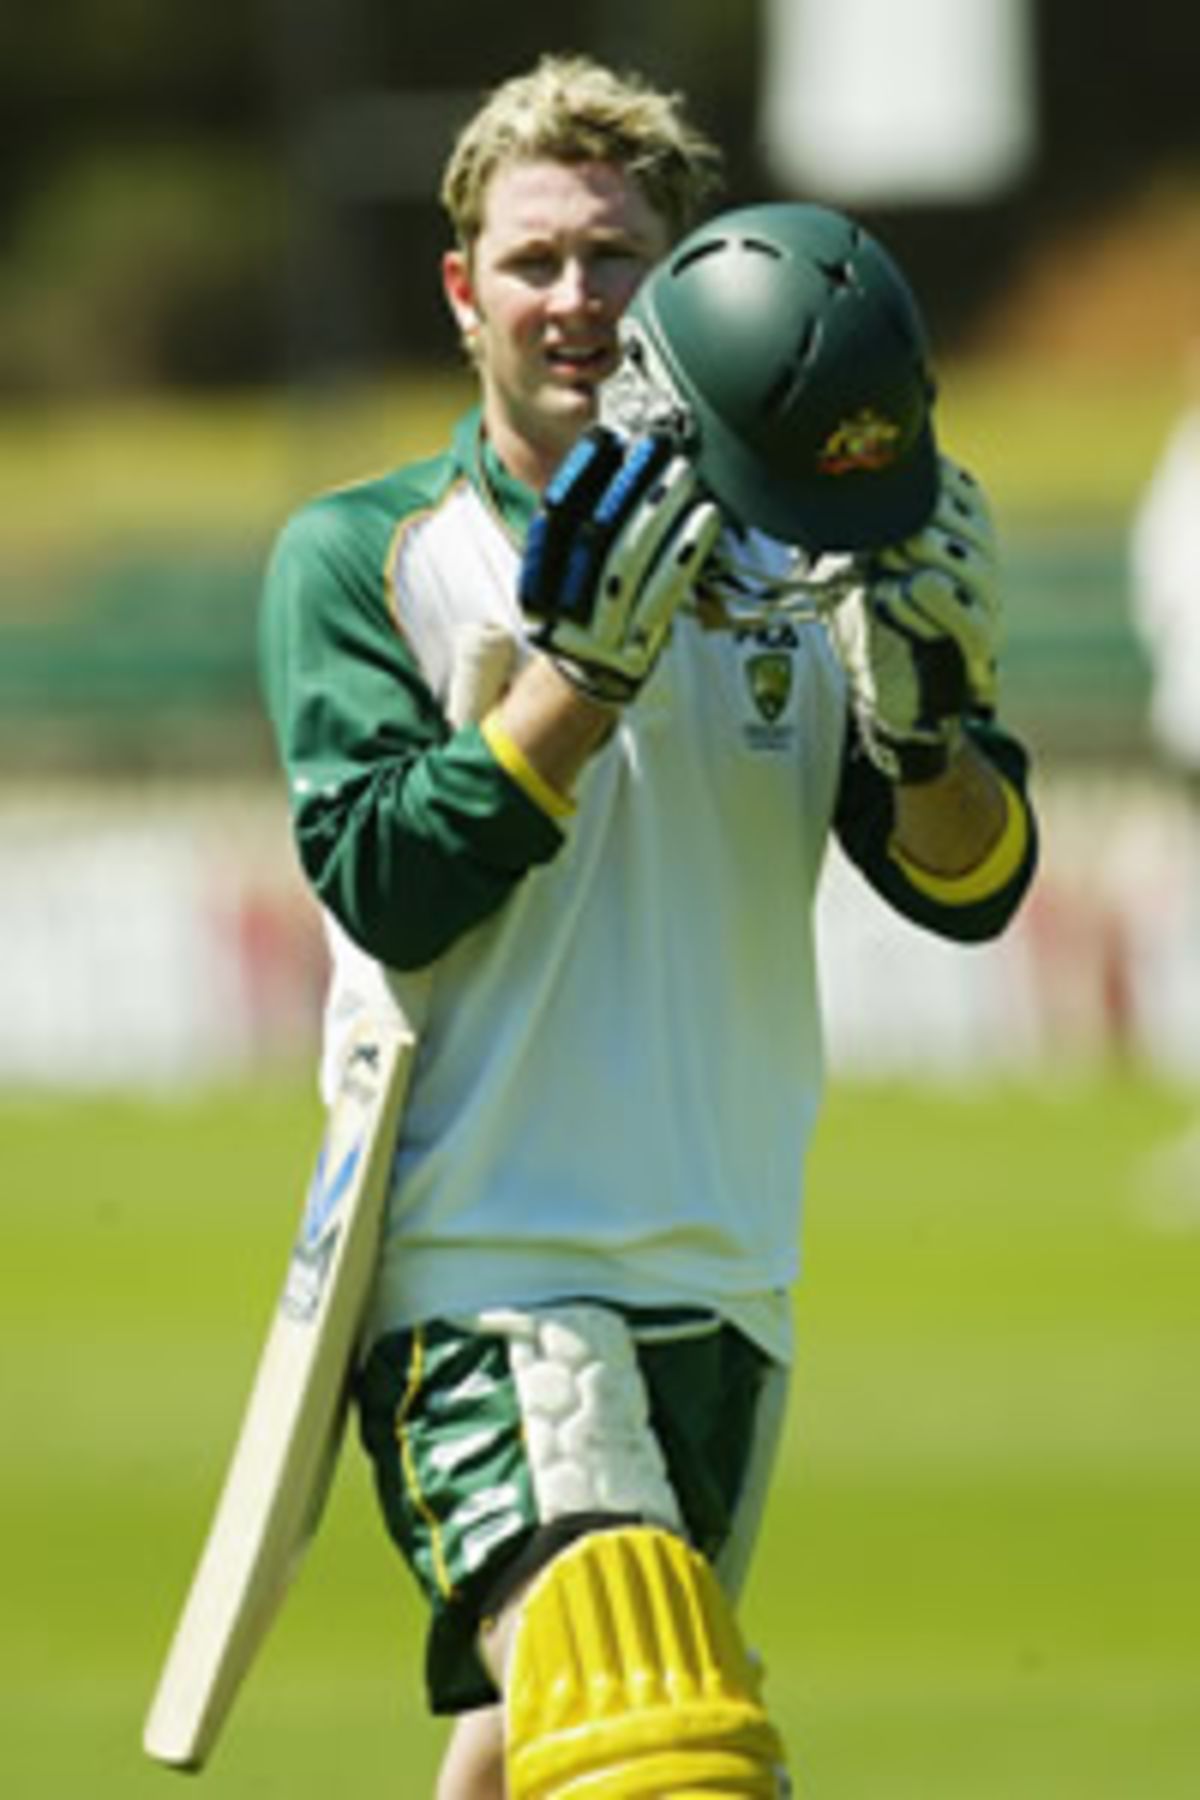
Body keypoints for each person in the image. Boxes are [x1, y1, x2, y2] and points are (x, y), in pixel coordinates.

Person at [259, 53, 1038, 1800]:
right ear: (462, 291)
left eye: (616, 256)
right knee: (661, 1757)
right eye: (534, 260)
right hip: (485, 1265)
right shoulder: (373, 553)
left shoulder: (810, 551)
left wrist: (924, 732)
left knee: (530, 1746)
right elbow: (381, 877)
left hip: (729, 1270)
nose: (576, 299)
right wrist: (577, 683)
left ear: (689, 284)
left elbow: (973, 884)